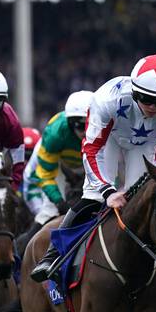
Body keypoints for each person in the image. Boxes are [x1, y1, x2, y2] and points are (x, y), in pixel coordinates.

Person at [29, 56, 156, 283]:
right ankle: (53, 255)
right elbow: (92, 149)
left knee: (146, 198)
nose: (153, 106)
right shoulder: (106, 99)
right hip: (109, 140)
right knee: (93, 196)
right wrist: (106, 191)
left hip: (144, 145)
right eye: (147, 98)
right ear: (134, 92)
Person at [24, 90, 92, 227]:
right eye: (79, 126)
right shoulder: (55, 133)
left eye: (88, 125)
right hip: (60, 164)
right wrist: (59, 202)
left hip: (90, 160)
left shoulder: (105, 126)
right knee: (50, 210)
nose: (84, 132)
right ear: (69, 123)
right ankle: (28, 244)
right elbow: (45, 174)